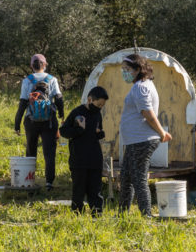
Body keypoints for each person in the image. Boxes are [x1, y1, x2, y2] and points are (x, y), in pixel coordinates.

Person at [118, 53, 171, 216]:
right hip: (135, 140)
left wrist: (162, 132)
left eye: (127, 69)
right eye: (123, 69)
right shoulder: (141, 85)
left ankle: (146, 215)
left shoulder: (141, 87)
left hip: (141, 140)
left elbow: (148, 113)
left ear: (137, 70)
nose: (124, 72)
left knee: (138, 179)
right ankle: (121, 215)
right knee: (126, 178)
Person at [13, 54, 64, 190]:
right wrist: (61, 114)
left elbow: (23, 102)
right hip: (49, 121)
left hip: (31, 120)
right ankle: (49, 183)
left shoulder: (27, 80)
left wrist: (17, 123)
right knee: (49, 151)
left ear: (31, 66)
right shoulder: (52, 79)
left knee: (31, 150)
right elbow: (58, 98)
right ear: (45, 65)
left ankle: (29, 181)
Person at [60, 86, 109, 215]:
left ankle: (97, 213)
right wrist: (78, 130)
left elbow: (98, 131)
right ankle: (77, 214)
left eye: (102, 106)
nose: (99, 107)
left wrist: (100, 134)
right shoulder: (77, 112)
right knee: (79, 189)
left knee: (95, 189)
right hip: (79, 158)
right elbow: (63, 131)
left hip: (95, 158)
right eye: (98, 104)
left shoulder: (98, 114)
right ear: (89, 99)